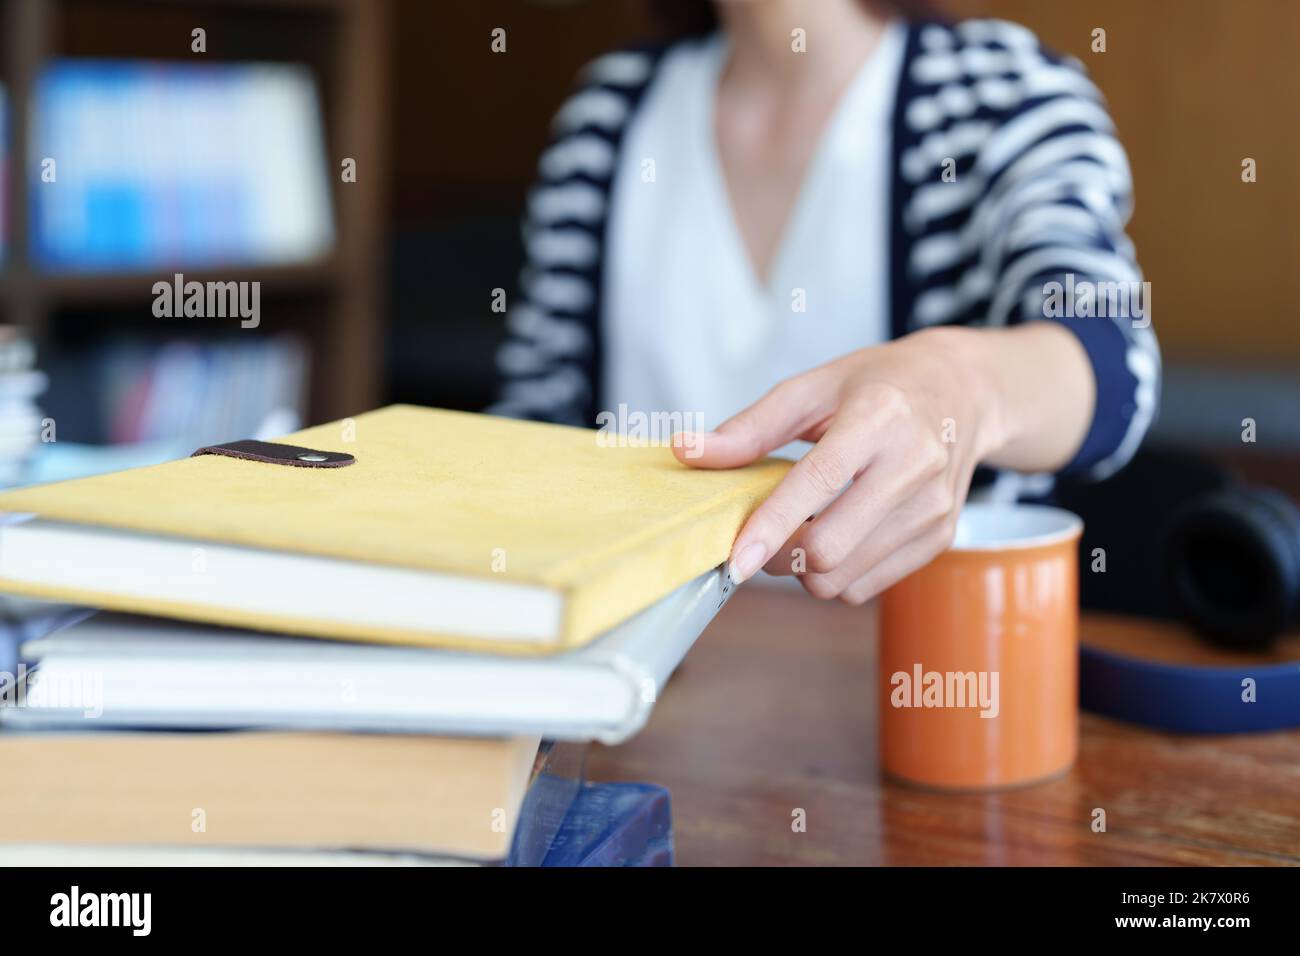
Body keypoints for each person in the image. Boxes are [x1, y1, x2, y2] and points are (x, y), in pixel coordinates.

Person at [492, 0, 1159, 604]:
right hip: (632, 695)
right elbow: (530, 434)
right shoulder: (607, 117)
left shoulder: (1002, 92)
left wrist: (961, 384)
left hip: (926, 683)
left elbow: (1109, 358)